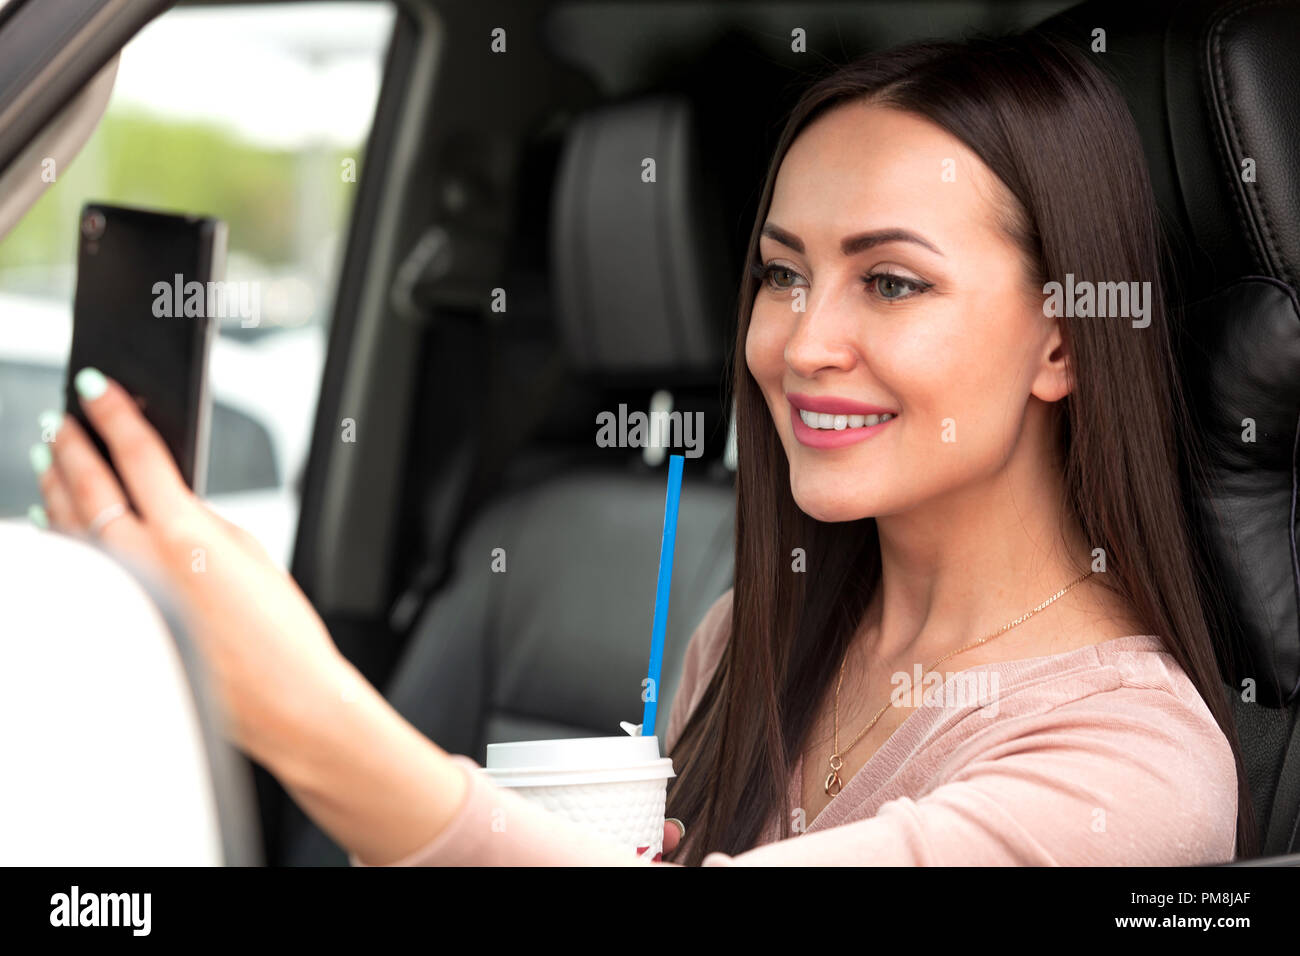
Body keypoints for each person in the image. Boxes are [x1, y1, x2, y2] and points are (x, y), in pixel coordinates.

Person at [29, 32, 1255, 865]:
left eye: (889, 281)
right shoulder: (750, 629)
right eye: (781, 273)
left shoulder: (1135, 769)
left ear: (1063, 341)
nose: (800, 341)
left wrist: (301, 707)